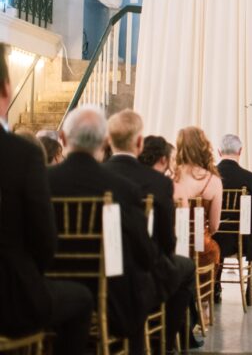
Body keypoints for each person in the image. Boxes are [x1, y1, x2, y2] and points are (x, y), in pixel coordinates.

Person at [0, 45, 94, 354]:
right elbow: (44, 241)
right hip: (9, 300)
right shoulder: (22, 154)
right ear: (6, 89)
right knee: (81, 300)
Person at [48, 106, 157, 355]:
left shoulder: (42, 180)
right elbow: (144, 254)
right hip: (109, 296)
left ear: (63, 139)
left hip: (47, 288)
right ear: (105, 140)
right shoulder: (123, 189)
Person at [105, 110, 196, 349]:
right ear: (138, 142)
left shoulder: (97, 176)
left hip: (96, 275)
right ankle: (163, 343)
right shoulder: (158, 182)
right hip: (139, 275)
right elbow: (166, 241)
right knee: (186, 267)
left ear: (109, 140)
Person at [213, 133, 252, 305]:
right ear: (241, 151)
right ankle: (250, 290)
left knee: (214, 235)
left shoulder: (208, 177)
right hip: (242, 242)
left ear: (219, 151)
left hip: (213, 241)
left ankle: (214, 288)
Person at [173, 126, 222, 276]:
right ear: (204, 147)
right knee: (213, 249)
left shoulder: (169, 176)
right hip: (201, 252)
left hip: (172, 249)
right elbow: (214, 226)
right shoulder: (213, 181)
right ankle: (200, 294)